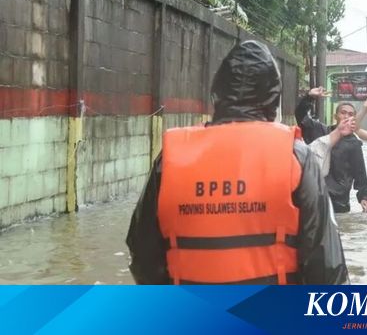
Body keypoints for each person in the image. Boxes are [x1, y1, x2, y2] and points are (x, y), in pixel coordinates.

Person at [126, 41, 349, 285]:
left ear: (217, 94)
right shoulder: (296, 157)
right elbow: (327, 267)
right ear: (273, 98)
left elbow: (142, 252)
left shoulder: (169, 161)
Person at [295, 88, 367, 213]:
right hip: (315, 197)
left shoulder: (354, 144)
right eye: (343, 113)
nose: (346, 116)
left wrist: (364, 197)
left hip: (339, 202)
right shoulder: (319, 131)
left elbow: (360, 173)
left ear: (354, 119)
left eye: (350, 114)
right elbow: (301, 117)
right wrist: (309, 97)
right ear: (335, 116)